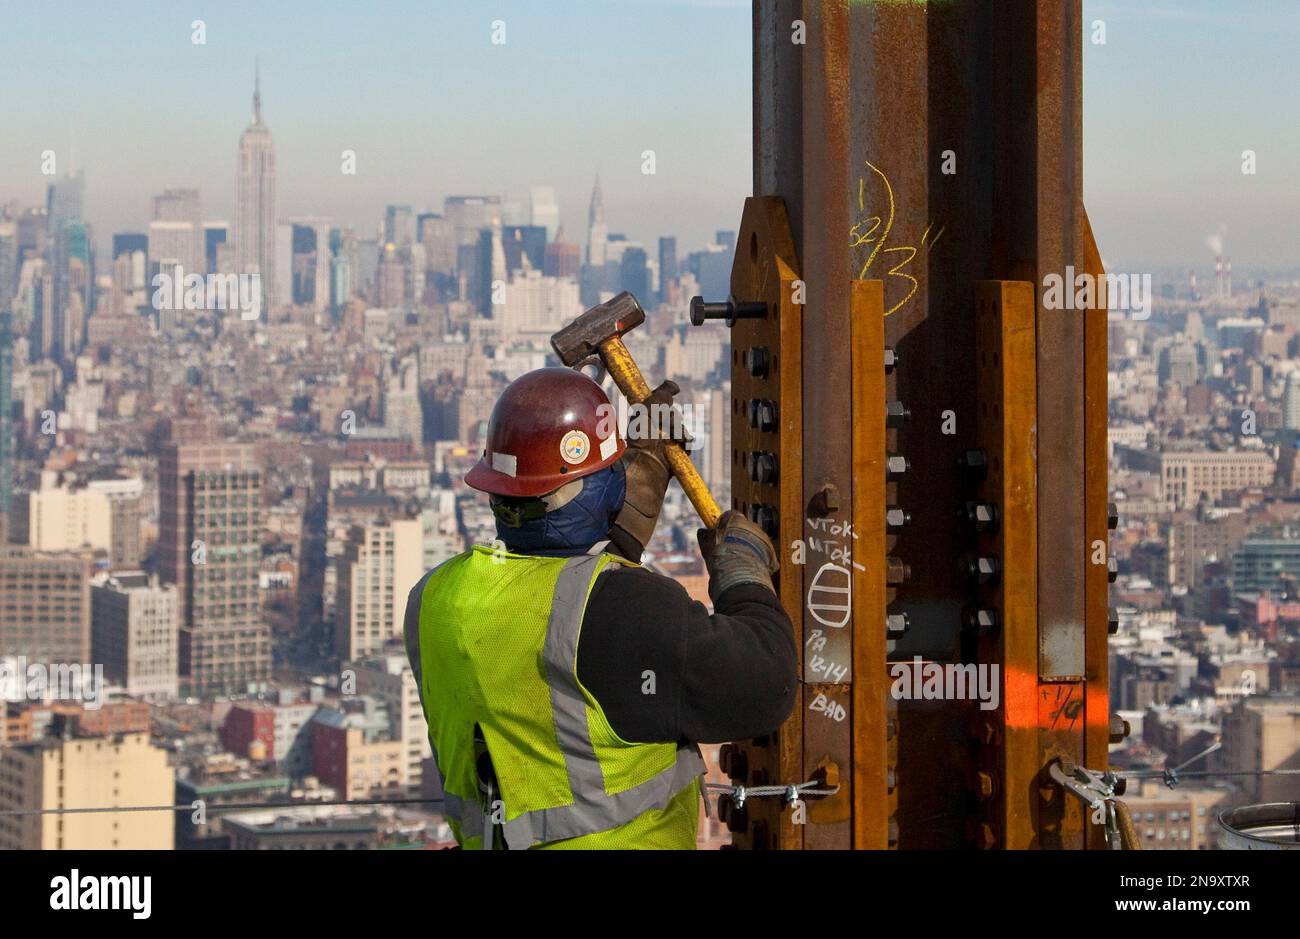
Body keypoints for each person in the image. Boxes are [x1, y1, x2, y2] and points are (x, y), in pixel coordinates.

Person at [403, 367, 796, 849]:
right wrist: (742, 576)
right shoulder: (624, 609)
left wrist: (630, 484)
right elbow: (767, 681)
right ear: (604, 485)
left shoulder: (433, 599)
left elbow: (566, 602)